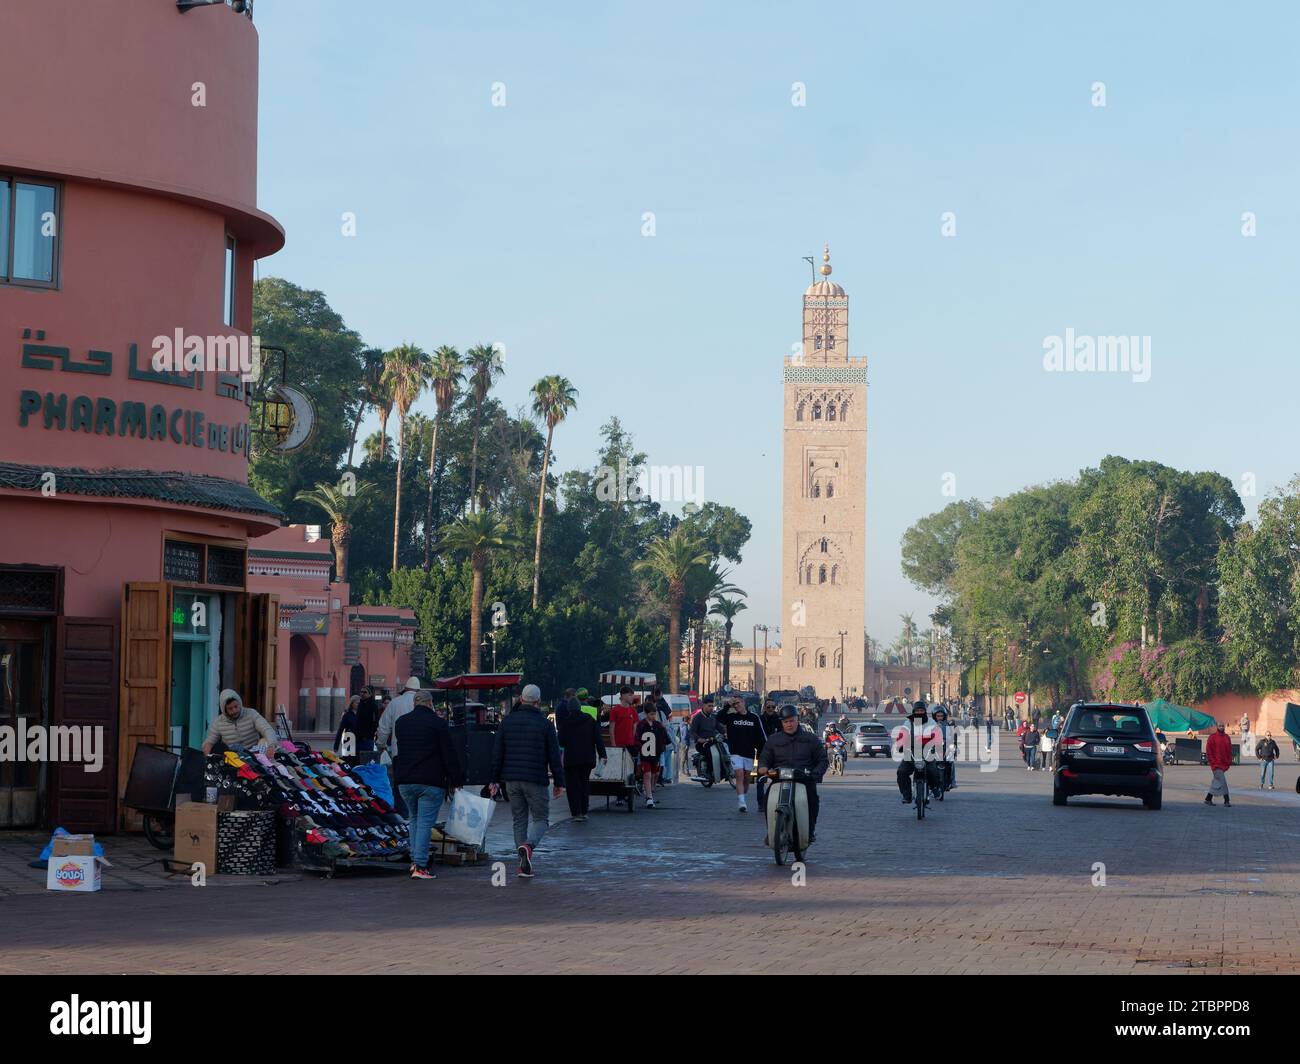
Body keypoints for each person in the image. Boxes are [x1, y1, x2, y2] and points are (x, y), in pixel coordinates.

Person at [490, 684, 565, 877]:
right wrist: (559, 782)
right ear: (538, 702)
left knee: (519, 819)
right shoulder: (545, 724)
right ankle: (528, 847)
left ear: (521, 700)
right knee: (541, 819)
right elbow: (554, 756)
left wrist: (494, 779)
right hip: (535, 778)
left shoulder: (507, 722)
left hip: (512, 780)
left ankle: (521, 864)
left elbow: (497, 753)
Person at [394, 689, 462, 880]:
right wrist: (456, 779)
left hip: (405, 781)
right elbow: (449, 753)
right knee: (424, 823)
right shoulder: (438, 724)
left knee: (414, 820)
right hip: (431, 781)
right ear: (430, 703)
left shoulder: (402, 723)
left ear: (415, 703)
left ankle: (415, 861)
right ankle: (421, 866)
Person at [758, 704, 828, 842]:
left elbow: (822, 760)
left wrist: (816, 773)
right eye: (785, 722)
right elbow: (764, 757)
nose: (789, 724)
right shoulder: (773, 740)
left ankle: (810, 831)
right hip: (779, 779)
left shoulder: (811, 739)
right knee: (767, 801)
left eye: (792, 721)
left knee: (812, 800)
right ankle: (772, 831)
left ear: (798, 720)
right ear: (781, 723)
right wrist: (763, 767)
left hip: (804, 779)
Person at [376, 676, 421, 817]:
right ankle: (415, 813)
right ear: (418, 690)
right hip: (420, 753)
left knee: (400, 783)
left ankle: (402, 813)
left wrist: (381, 744)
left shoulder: (395, 703)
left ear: (405, 688)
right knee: (417, 782)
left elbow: (383, 727)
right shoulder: (424, 704)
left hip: (398, 752)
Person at [558, 696, 606, 820]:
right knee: (584, 784)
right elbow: (598, 739)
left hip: (571, 759)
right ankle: (584, 811)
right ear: (580, 707)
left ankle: (576, 813)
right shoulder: (590, 720)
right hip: (587, 758)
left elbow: (561, 742)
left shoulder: (565, 722)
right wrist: (603, 755)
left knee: (572, 786)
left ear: (569, 709)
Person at [717, 696, 767, 813]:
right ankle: (741, 802)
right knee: (739, 775)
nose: (737, 706)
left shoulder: (754, 717)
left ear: (744, 703)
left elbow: (761, 736)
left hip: (749, 753)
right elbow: (719, 717)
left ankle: (742, 795)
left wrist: (763, 752)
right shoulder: (731, 717)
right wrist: (727, 705)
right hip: (735, 752)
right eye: (734, 704)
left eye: (738, 703)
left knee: (747, 778)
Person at [202, 689, 277, 755]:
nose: (234, 710)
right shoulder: (218, 722)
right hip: (233, 757)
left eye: (236, 706)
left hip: (255, 754)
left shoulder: (251, 714)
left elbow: (267, 729)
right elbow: (209, 742)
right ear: (224, 710)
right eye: (230, 709)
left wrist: (271, 745)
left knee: (264, 741)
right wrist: (207, 756)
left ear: (240, 704)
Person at [895, 702, 942, 805]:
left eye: (921, 710)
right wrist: (900, 745)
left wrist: (937, 745)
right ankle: (907, 795)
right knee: (901, 772)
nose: (919, 712)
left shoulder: (931, 722)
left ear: (925, 711)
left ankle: (934, 788)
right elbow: (902, 734)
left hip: (927, 752)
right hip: (911, 752)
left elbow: (937, 734)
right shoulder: (908, 722)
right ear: (913, 712)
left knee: (933, 771)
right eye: (917, 711)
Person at [634, 702, 671, 808]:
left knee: (655, 774)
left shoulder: (658, 725)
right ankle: (649, 797)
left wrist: (663, 746)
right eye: (651, 714)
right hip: (645, 755)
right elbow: (636, 738)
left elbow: (665, 738)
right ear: (646, 714)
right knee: (647, 774)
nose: (653, 716)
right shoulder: (641, 725)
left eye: (654, 714)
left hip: (656, 755)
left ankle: (650, 792)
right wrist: (640, 747)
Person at [687, 698, 724, 778]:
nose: (711, 708)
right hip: (702, 743)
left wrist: (725, 733)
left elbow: (720, 728)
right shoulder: (697, 717)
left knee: (724, 750)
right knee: (709, 753)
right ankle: (708, 772)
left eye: (712, 706)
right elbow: (692, 731)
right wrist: (699, 739)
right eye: (709, 706)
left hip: (713, 741)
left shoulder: (713, 717)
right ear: (704, 706)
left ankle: (723, 770)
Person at [1205, 721, 1232, 807]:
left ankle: (1208, 799)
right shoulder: (1212, 737)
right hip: (1216, 765)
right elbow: (1209, 751)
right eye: (1220, 726)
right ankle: (1226, 800)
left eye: (1222, 726)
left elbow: (1229, 750)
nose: (1221, 727)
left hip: (1224, 764)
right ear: (1217, 727)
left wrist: (1228, 761)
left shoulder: (1227, 737)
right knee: (1223, 782)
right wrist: (1212, 762)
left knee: (1216, 782)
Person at [931, 705, 956, 789]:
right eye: (938, 716)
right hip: (933, 746)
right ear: (934, 716)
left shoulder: (948, 725)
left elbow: (953, 736)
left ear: (944, 716)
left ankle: (952, 782)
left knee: (951, 762)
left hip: (945, 745)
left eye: (941, 716)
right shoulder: (930, 725)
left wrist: (954, 744)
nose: (940, 718)